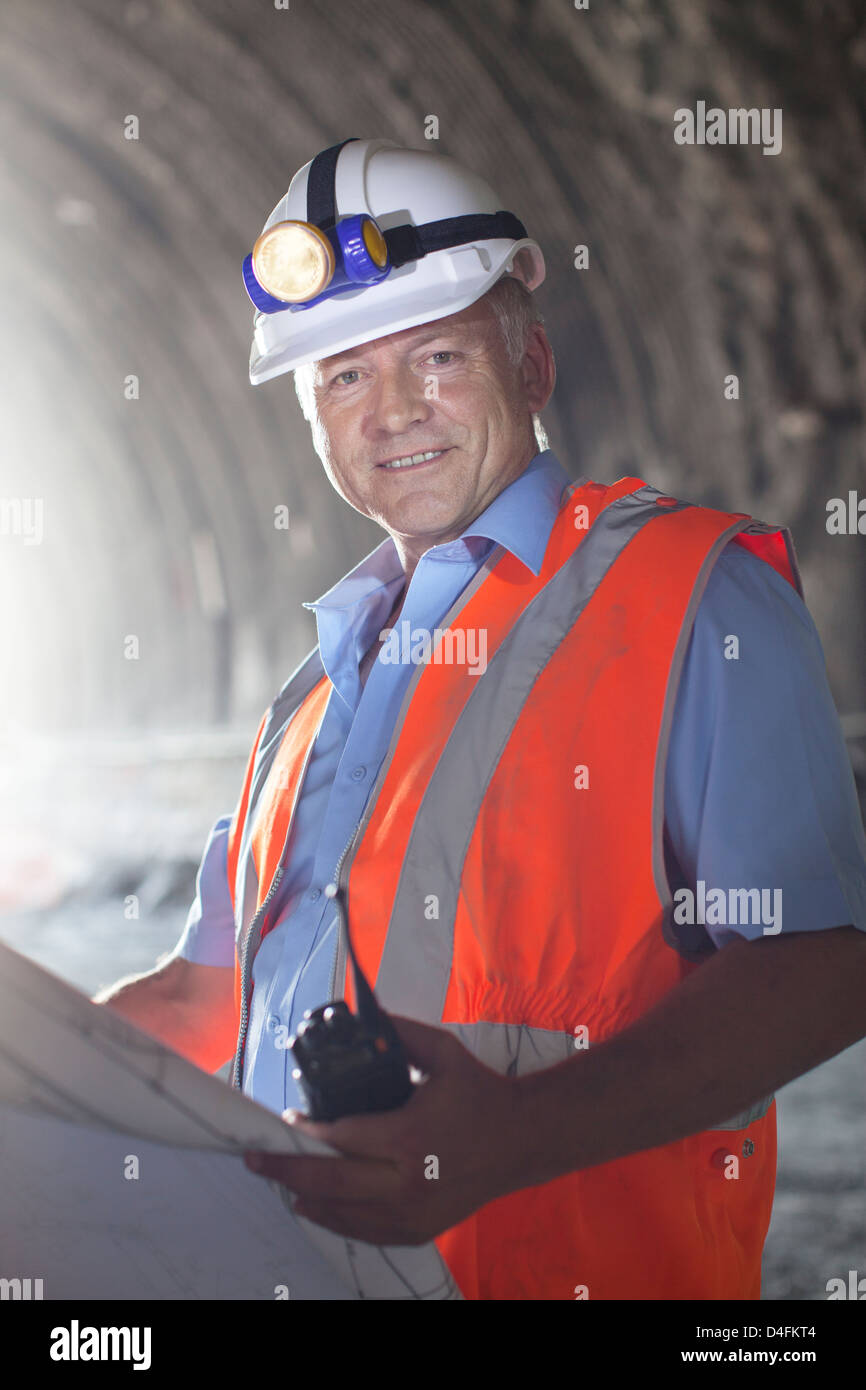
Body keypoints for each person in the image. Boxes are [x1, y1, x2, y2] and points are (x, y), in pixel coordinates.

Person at [96, 138, 866, 1300]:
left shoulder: (687, 595)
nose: (392, 411)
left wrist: (509, 1132)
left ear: (533, 366)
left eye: (438, 356)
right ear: (308, 414)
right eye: (343, 376)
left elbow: (821, 965)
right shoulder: (313, 692)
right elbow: (206, 996)